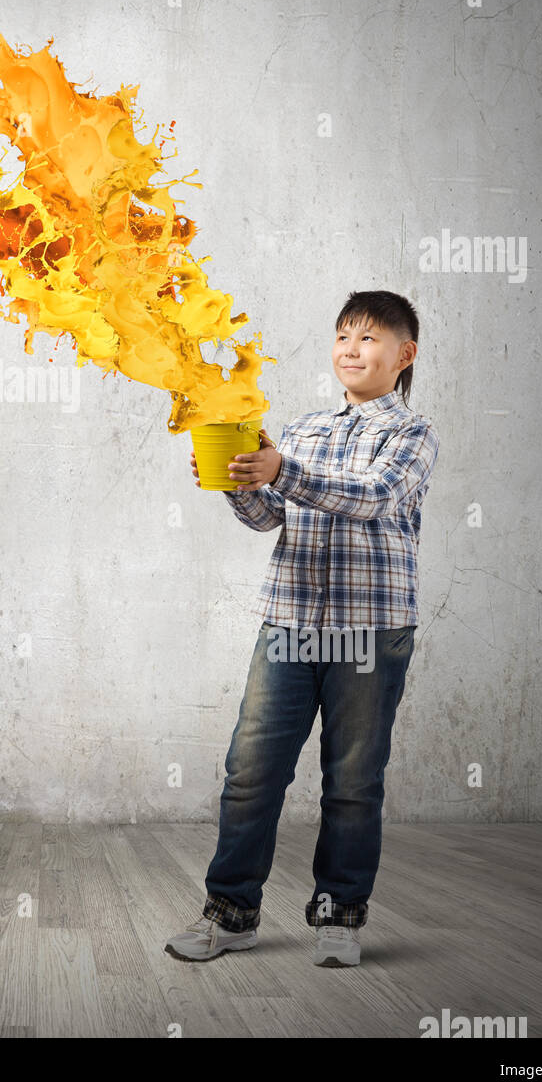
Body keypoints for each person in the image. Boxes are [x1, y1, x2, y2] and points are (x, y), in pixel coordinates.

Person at [166, 290, 440, 967]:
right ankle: (231, 915)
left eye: (370, 338)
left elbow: (371, 500)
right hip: (289, 622)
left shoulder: (411, 435)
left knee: (351, 781)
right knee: (251, 774)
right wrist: (239, 480)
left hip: (370, 631)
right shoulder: (305, 428)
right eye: (344, 335)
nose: (352, 348)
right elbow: (269, 518)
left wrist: (283, 470)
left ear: (404, 355)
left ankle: (339, 919)